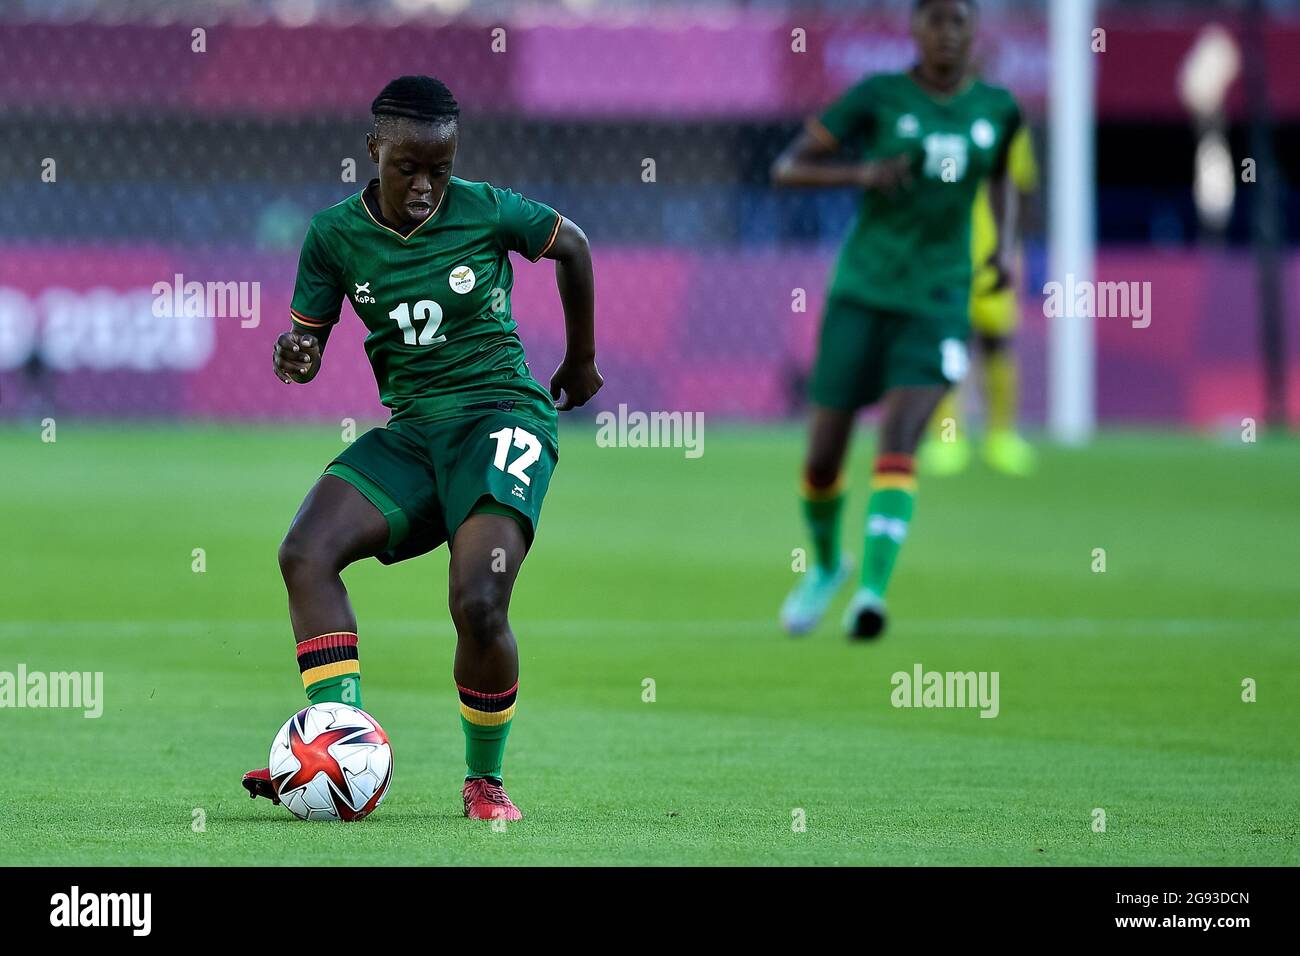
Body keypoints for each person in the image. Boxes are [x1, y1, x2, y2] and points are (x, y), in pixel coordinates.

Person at [241, 75, 601, 820]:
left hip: (502, 417)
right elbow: (306, 340)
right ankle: (338, 744)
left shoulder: (487, 207)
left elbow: (573, 246)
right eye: (409, 166)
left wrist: (581, 359)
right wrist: (297, 354)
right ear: (373, 150)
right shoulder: (333, 235)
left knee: (477, 598)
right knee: (304, 554)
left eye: (441, 167)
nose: (427, 185)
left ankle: (484, 781)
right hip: (414, 432)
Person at [771, 0, 1022, 638]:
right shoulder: (877, 97)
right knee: (824, 457)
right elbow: (787, 167)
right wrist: (863, 173)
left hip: (938, 299)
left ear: (974, 31)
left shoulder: (998, 109)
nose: (947, 32)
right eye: (934, 19)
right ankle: (828, 566)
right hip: (861, 292)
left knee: (900, 438)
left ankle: (871, 595)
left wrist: (1002, 245)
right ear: (913, 29)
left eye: (959, 20)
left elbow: (1000, 180)